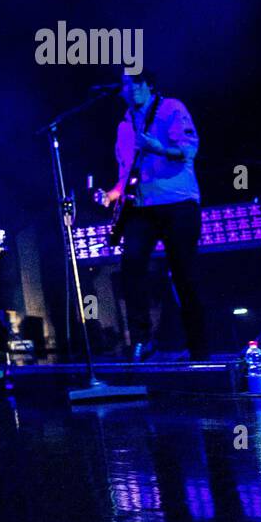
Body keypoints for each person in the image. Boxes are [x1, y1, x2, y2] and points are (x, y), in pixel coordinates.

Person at [96, 71, 207, 361]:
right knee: (130, 268)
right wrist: (111, 194)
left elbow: (189, 150)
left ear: (150, 85)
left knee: (184, 274)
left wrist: (160, 148)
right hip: (142, 206)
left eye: (136, 83)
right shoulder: (124, 126)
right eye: (126, 84)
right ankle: (143, 342)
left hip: (177, 201)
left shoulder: (171, 108)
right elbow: (127, 173)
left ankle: (199, 348)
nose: (131, 89)